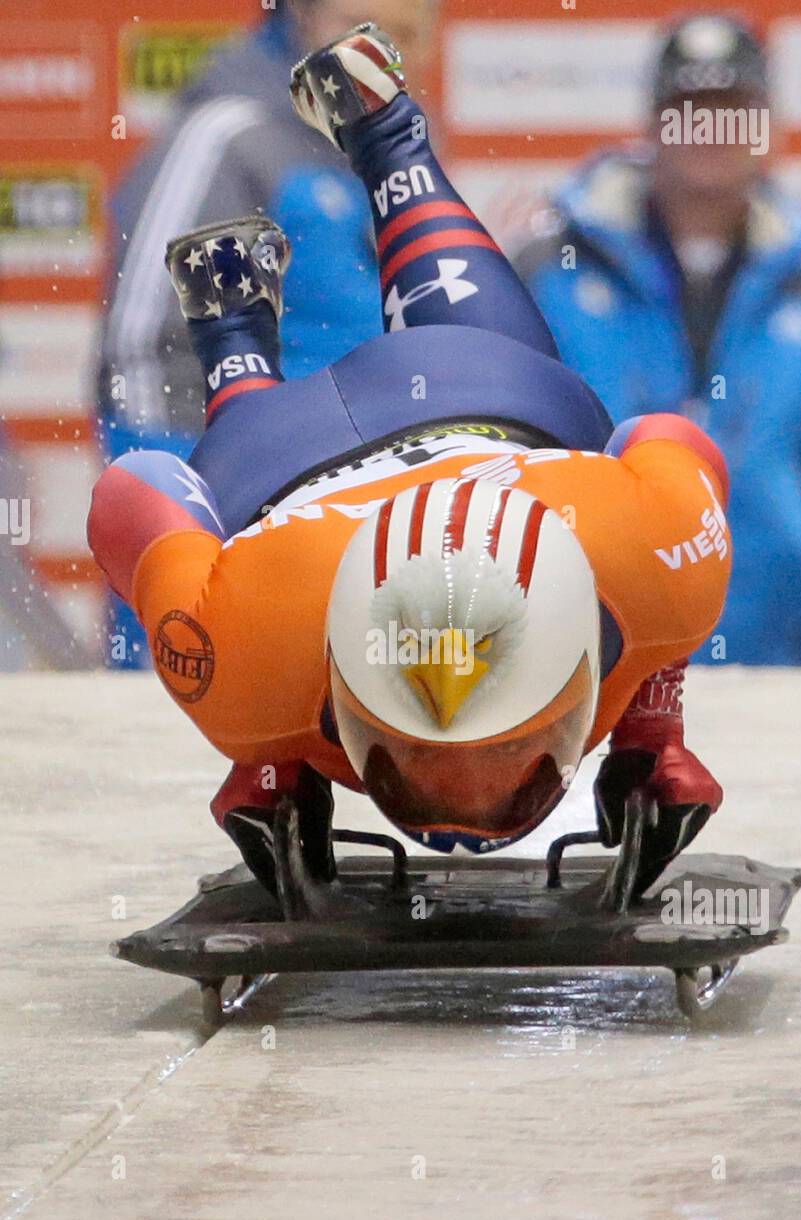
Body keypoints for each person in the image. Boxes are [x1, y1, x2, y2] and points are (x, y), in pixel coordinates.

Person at [88, 22, 732, 898]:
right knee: (242, 483)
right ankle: (253, 314)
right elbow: (144, 494)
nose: (456, 812)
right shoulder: (659, 555)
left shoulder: (252, 652)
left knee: (248, 486)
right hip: (323, 451)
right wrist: (652, 733)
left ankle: (254, 313)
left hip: (406, 427)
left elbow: (136, 490)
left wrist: (269, 754)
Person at [96, 0, 436, 666]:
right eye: (359, 25)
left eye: (403, 36)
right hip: (238, 521)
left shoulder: (394, 151)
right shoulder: (230, 133)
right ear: (305, 18)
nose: (375, 52)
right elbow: (142, 346)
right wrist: (189, 513)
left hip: (365, 528)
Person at [515, 12, 801, 665]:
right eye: (688, 108)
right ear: (651, 122)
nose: (709, 132)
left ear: (767, 127)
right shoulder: (546, 272)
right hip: (586, 671)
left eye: (730, 108)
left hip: (779, 677)